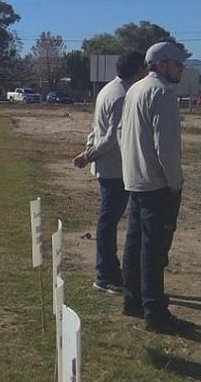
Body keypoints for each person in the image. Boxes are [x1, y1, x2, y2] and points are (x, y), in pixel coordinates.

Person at [118, 41, 194, 334]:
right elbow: (167, 147)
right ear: (161, 64)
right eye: (177, 63)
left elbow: (124, 132)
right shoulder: (162, 92)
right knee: (153, 248)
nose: (181, 68)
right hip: (156, 183)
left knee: (135, 242)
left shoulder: (135, 89)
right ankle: (155, 312)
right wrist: (175, 182)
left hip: (136, 178)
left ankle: (133, 300)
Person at [73, 51, 146, 295]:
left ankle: (109, 273)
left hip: (109, 167)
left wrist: (88, 149)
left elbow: (96, 128)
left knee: (108, 219)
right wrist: (88, 155)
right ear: (138, 70)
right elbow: (112, 137)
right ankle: (107, 275)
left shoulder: (108, 90)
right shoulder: (123, 96)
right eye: (144, 68)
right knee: (108, 221)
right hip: (115, 168)